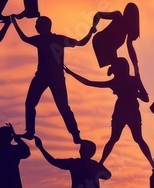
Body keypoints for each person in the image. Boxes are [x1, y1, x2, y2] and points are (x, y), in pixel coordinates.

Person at [13, 15, 95, 143]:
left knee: (58, 106)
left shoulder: (48, 39)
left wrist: (14, 23)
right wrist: (90, 31)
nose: (35, 26)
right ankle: (74, 135)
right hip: (47, 76)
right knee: (58, 107)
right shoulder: (55, 39)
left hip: (51, 77)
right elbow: (81, 43)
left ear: (43, 26)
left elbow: (24, 38)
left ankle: (74, 134)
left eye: (37, 24)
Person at [65, 58, 153, 168]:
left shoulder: (131, 80)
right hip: (123, 111)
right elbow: (89, 83)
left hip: (130, 111)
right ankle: (101, 162)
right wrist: (71, 73)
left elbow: (145, 98)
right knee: (117, 138)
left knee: (134, 138)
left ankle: (152, 164)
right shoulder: (123, 81)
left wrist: (135, 94)